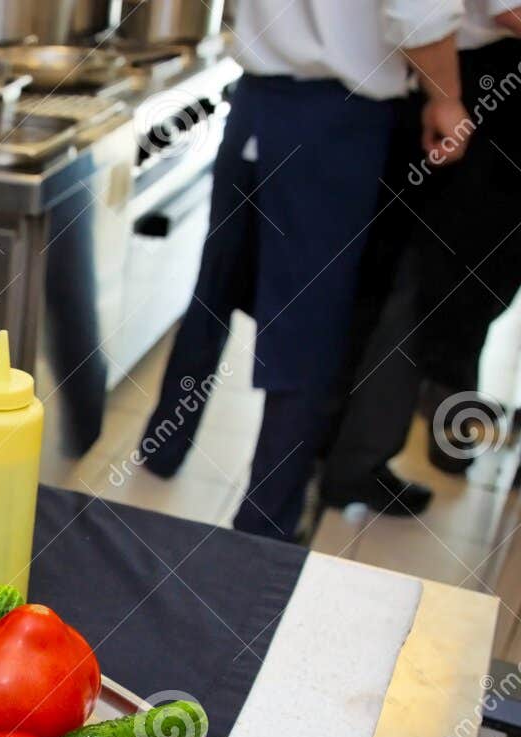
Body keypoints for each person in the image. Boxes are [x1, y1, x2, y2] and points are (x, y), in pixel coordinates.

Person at [136, 0, 470, 540]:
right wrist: (447, 98)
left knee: (214, 292)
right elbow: (416, 12)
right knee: (308, 325)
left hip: (256, 102)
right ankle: (264, 525)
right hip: (332, 122)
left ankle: (160, 451)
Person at [323, 0, 521, 508]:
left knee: (456, 287)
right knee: (435, 287)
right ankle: (362, 457)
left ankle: (440, 434)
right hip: (481, 88)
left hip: (474, 88)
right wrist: (449, 97)